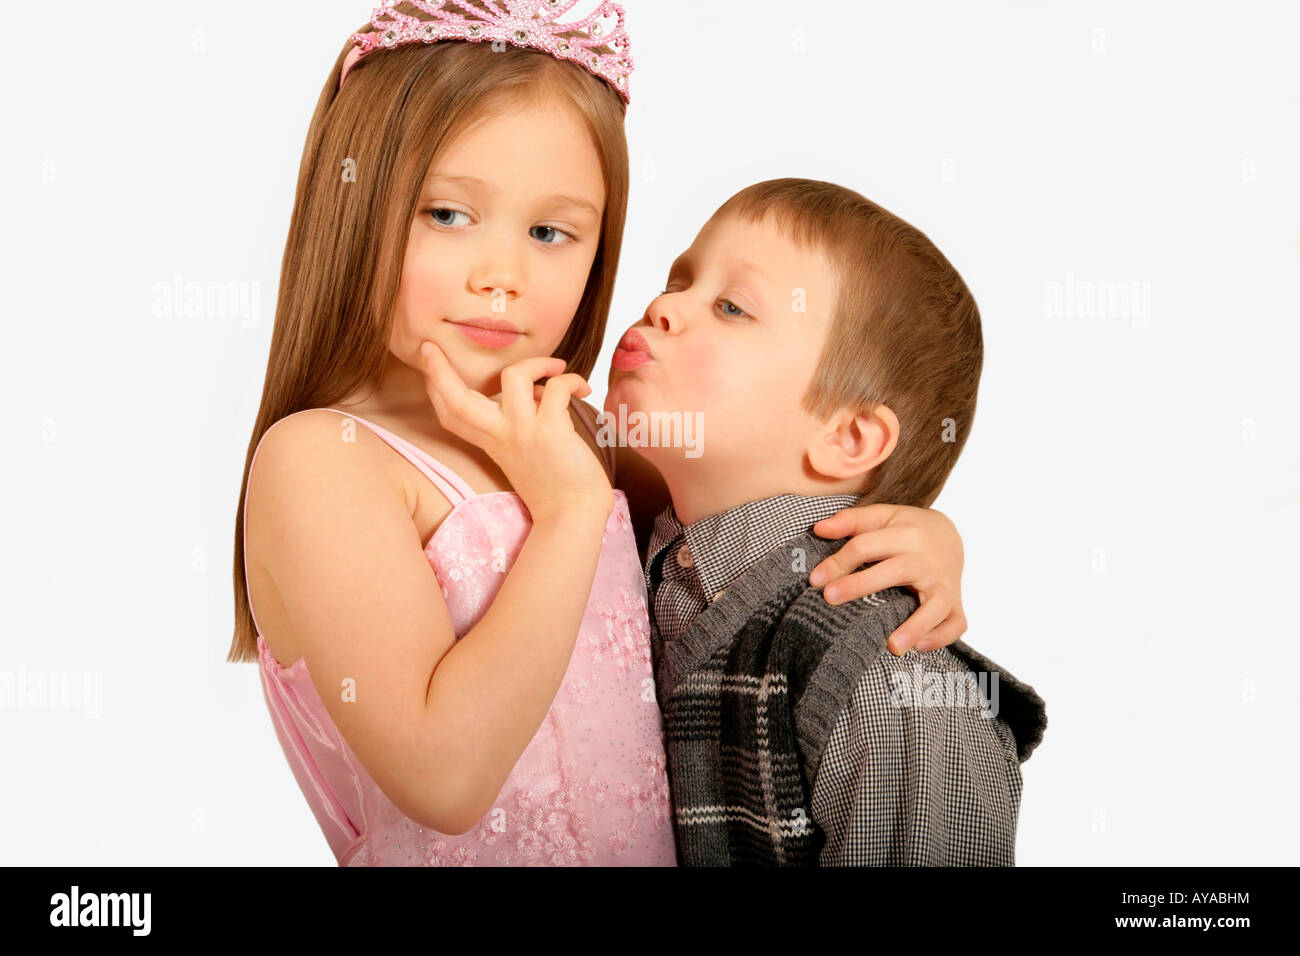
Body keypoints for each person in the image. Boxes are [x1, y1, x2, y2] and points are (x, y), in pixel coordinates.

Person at [230, 1, 971, 866]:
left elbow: (747, 517)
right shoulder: (324, 461)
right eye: (447, 215)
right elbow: (445, 778)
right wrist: (574, 511)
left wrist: (924, 532)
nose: (501, 275)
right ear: (350, 208)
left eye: (550, 232)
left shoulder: (583, 436)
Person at [598, 178, 1049, 865]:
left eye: (730, 307)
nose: (662, 305)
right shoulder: (630, 542)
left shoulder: (886, 676)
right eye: (677, 280)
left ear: (850, 439)